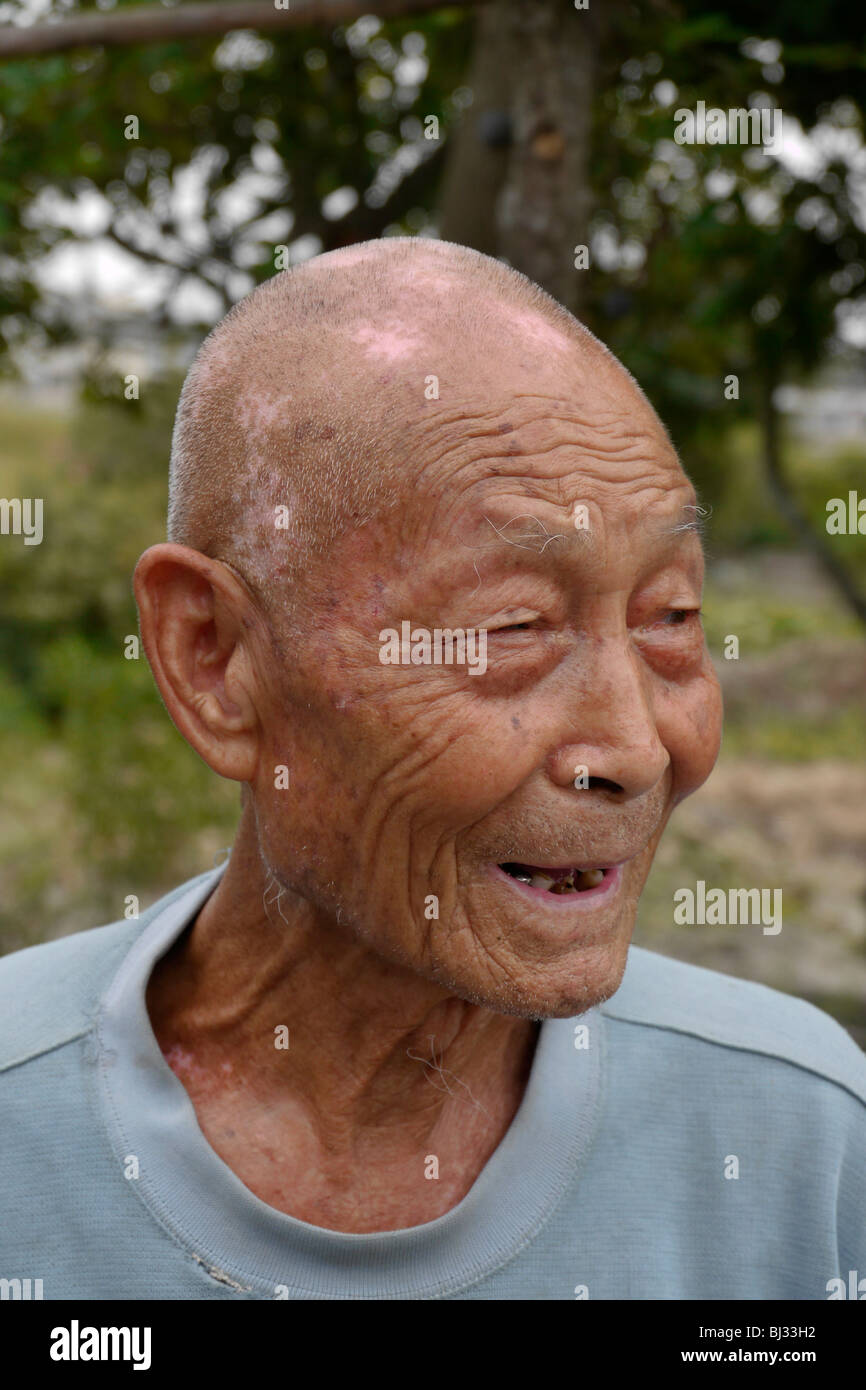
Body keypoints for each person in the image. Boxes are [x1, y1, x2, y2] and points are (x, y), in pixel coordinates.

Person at [1, 238, 863, 1300]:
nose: (636, 748)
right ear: (212, 659)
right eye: (509, 629)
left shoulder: (800, 1137)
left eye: (670, 617)